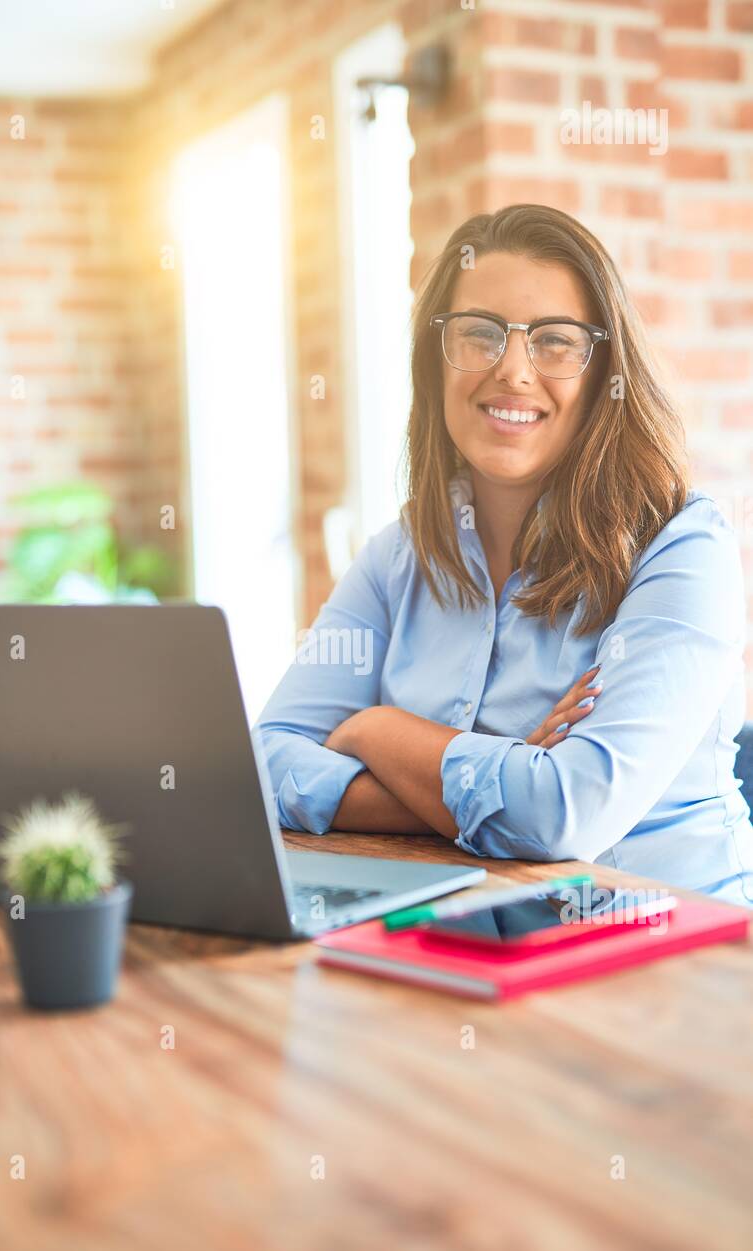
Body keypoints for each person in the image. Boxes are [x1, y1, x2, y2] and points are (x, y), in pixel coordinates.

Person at [253, 204, 753, 907]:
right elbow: (261, 761)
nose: (511, 370)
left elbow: (565, 815)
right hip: (463, 944)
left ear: (604, 370)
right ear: (437, 358)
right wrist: (484, 783)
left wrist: (377, 732)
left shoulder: (681, 548)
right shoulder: (398, 556)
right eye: (479, 334)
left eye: (553, 341)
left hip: (674, 953)